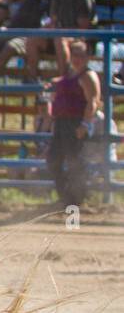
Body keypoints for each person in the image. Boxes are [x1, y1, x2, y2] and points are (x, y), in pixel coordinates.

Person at [43, 40, 101, 207]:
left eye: (80, 55)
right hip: (62, 122)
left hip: (75, 122)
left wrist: (85, 124)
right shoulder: (72, 73)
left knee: (75, 161)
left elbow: (93, 101)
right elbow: (63, 81)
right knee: (54, 159)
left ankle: (75, 200)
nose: (77, 58)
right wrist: (54, 83)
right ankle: (67, 197)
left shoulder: (88, 75)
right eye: (74, 54)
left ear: (87, 57)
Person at [47, 0, 96, 72]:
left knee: (60, 40)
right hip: (59, 36)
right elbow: (53, 22)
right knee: (33, 40)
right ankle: (31, 80)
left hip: (81, 39)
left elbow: (83, 29)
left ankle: (65, 81)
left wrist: (61, 33)